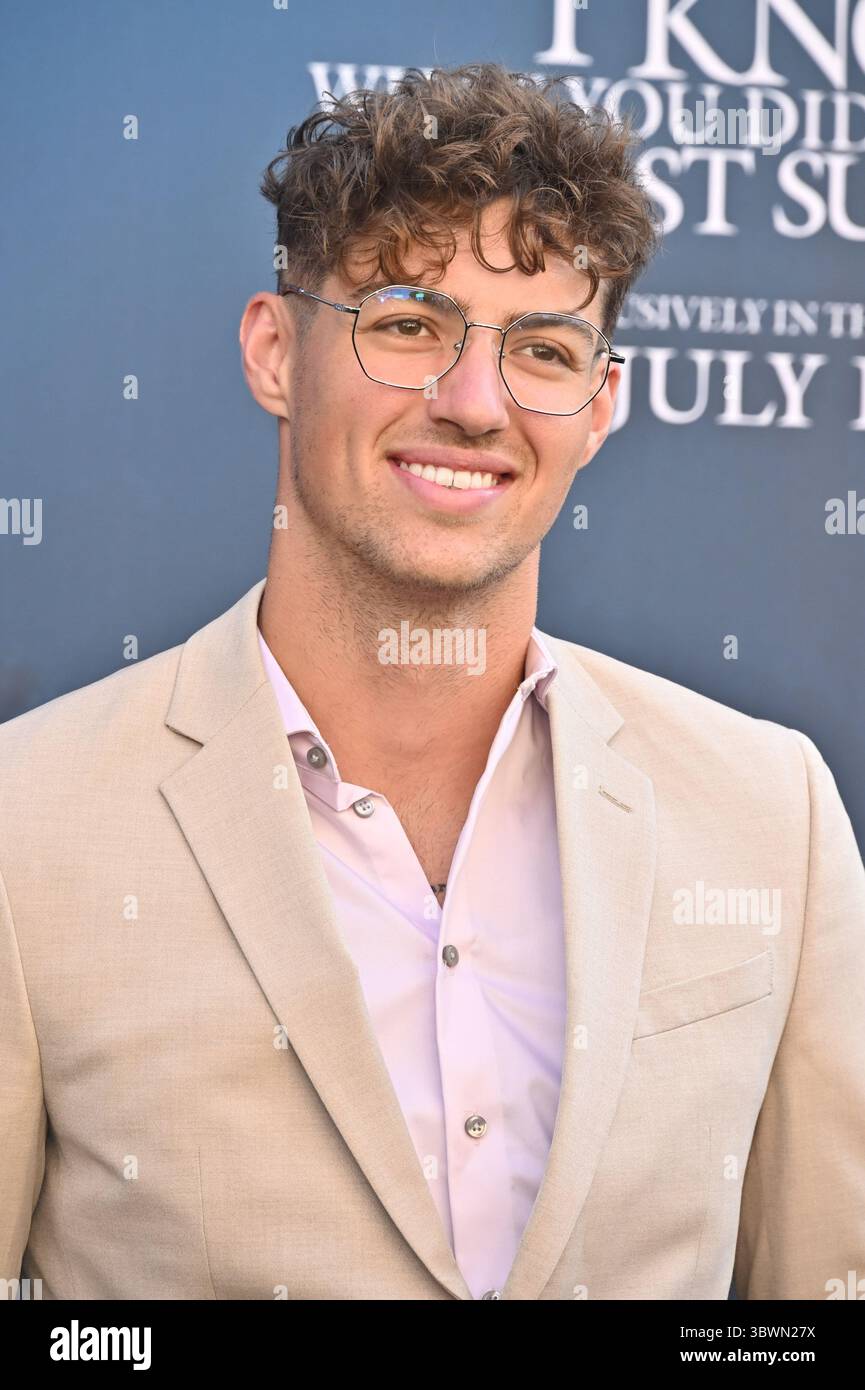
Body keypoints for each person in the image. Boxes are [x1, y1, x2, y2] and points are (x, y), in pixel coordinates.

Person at [1, 63, 863, 1303]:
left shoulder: (768, 814)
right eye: (408, 323)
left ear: (601, 402)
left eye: (545, 348)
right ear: (274, 352)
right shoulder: (26, 829)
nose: (472, 405)